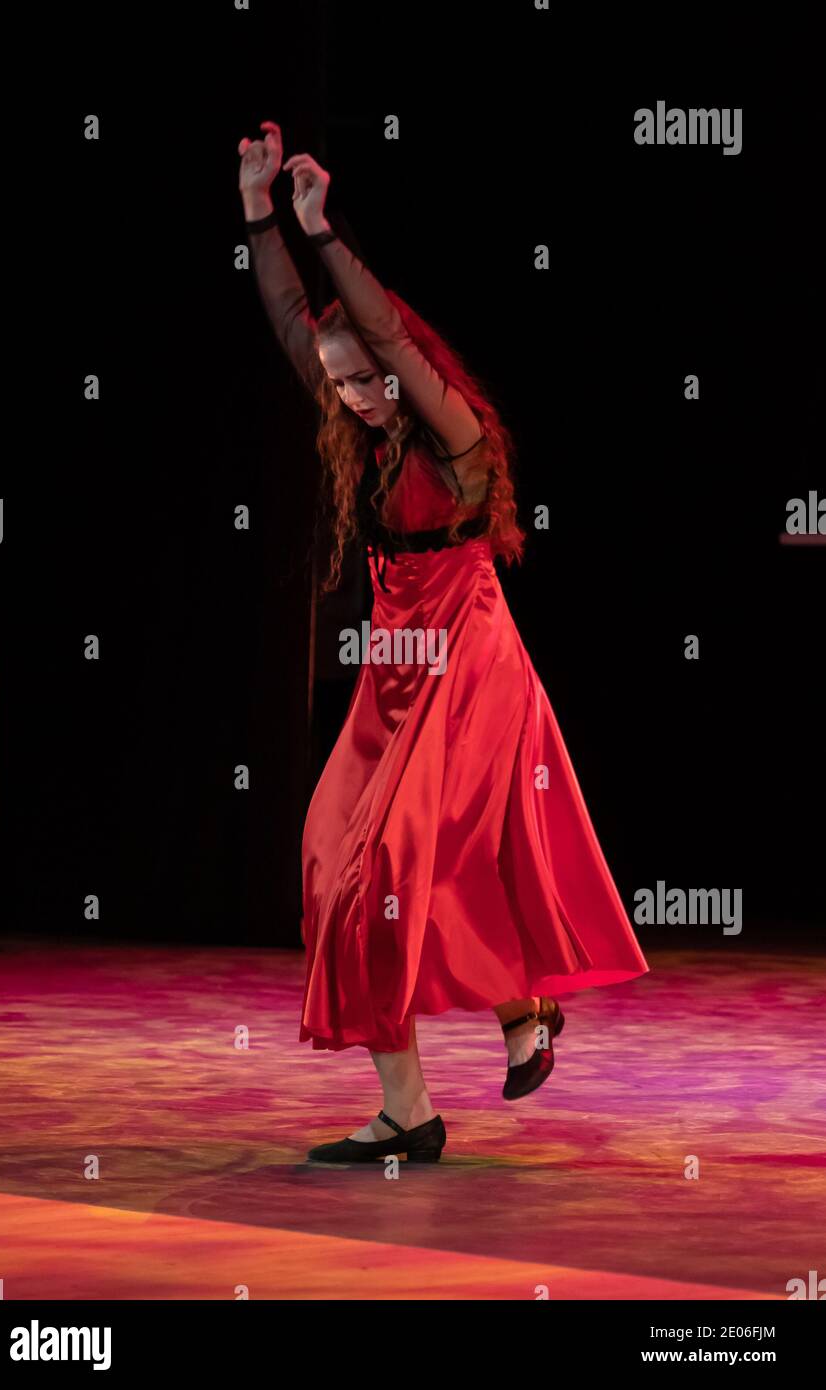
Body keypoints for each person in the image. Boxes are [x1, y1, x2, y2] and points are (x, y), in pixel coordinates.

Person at [238, 120, 649, 1164]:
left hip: (467, 661)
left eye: (363, 378)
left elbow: (387, 337)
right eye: (337, 385)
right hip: (392, 667)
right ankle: (412, 1105)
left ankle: (510, 1018)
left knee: (412, 860)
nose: (352, 396)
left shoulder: (454, 433)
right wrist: (256, 215)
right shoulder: (361, 429)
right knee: (337, 853)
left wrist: (323, 231)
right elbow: (295, 323)